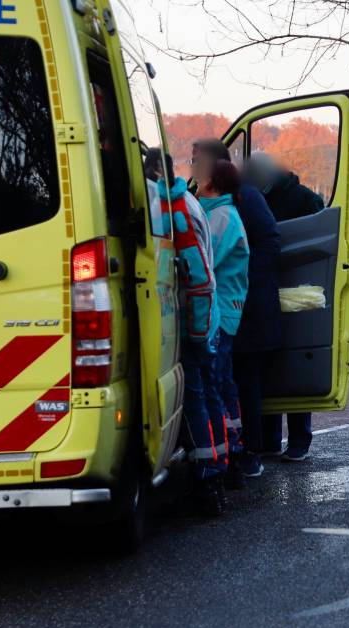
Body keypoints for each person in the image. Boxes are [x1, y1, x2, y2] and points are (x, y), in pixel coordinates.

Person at [193, 140, 283, 466]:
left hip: (235, 307)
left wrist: (245, 283)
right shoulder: (211, 207)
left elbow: (268, 242)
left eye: (197, 163)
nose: (193, 170)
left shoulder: (235, 206)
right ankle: (251, 447)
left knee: (239, 382)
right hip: (229, 306)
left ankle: (247, 452)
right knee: (235, 381)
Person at [145, 149, 224, 515]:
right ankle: (217, 470)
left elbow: (196, 276)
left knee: (196, 398)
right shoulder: (185, 203)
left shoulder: (174, 209)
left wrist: (195, 332)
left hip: (196, 319)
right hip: (203, 317)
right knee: (207, 394)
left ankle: (209, 480)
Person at [242, 151, 326, 461]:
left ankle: (293, 439)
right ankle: (279, 439)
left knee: (292, 361)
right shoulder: (299, 198)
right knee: (278, 363)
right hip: (279, 291)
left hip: (295, 292)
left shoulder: (296, 199)